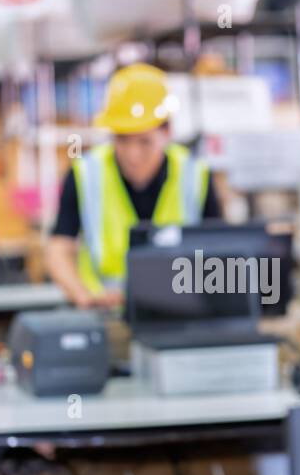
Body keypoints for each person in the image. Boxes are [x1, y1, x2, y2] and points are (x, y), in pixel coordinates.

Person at [45, 63, 221, 308]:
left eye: (144, 142)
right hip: (105, 316)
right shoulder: (85, 174)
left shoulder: (195, 174)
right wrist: (82, 295)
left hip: (178, 314)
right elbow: (59, 248)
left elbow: (219, 250)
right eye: (122, 140)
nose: (132, 155)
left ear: (167, 132)